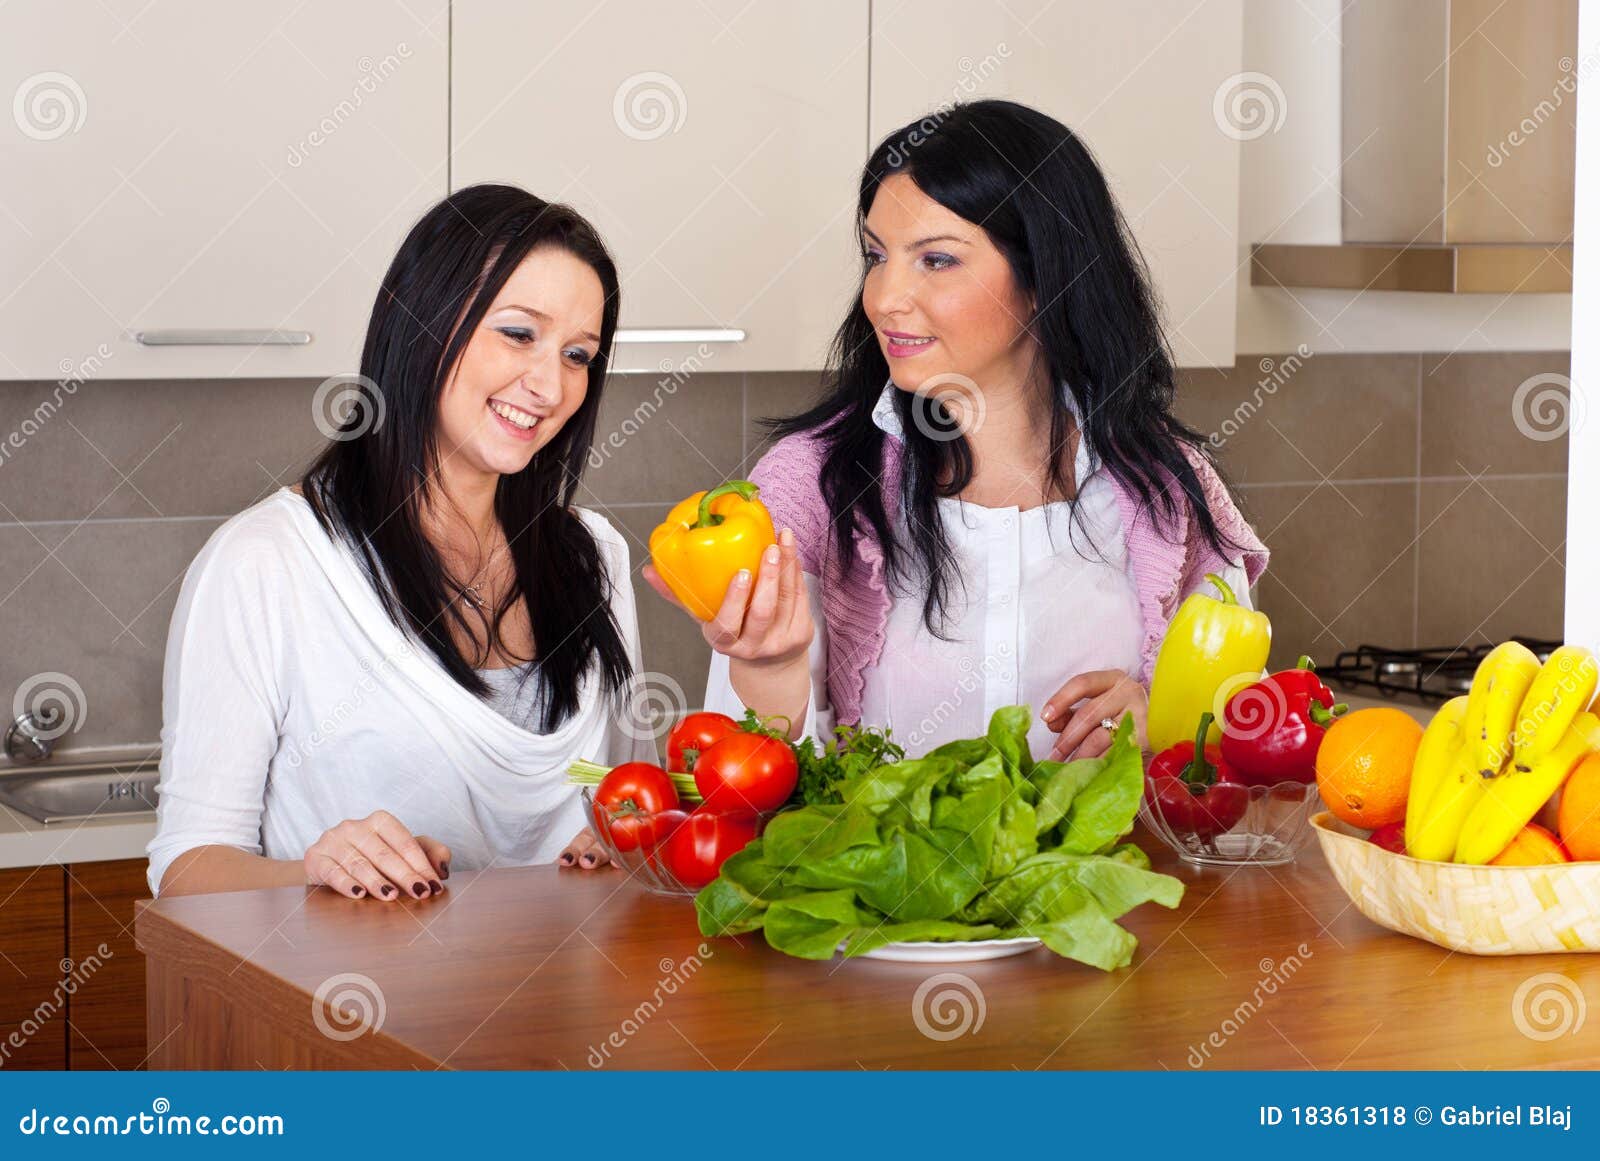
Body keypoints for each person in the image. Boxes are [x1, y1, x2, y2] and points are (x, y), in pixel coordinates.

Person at [648, 100, 1268, 761]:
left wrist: (1166, 728)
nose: (885, 296)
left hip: (1103, 866)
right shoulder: (808, 489)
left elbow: (1237, 755)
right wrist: (768, 672)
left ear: (1044, 277)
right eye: (876, 255)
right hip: (880, 869)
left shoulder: (1170, 490)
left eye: (936, 259)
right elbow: (736, 782)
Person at [148, 184, 650, 898]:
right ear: (421, 323)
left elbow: (632, 802)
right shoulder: (265, 563)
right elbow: (187, 868)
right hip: (347, 1007)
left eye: (578, 354)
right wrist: (318, 871)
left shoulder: (592, 554)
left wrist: (620, 841)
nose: (548, 383)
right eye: (518, 333)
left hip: (564, 1006)